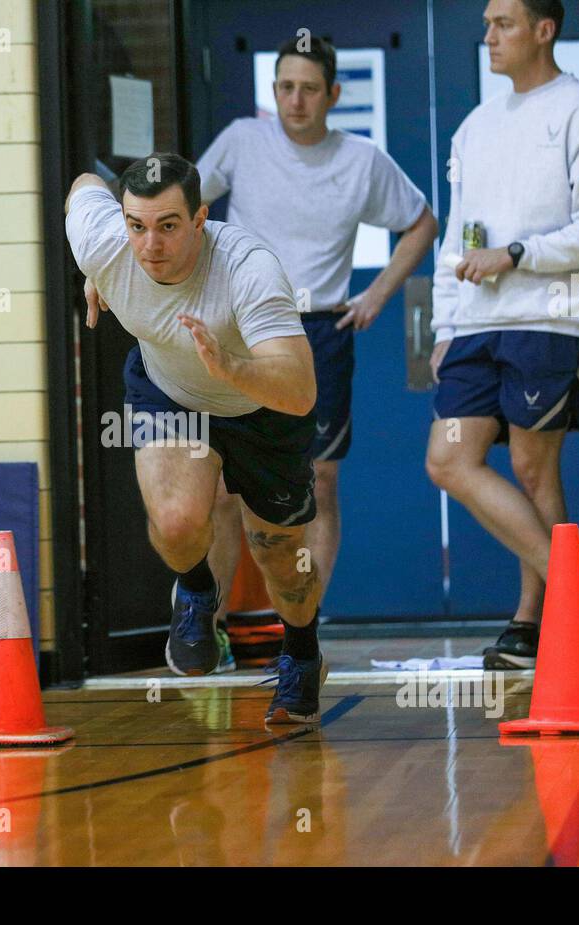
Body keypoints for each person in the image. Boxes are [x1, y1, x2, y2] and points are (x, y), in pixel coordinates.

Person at [65, 153, 325, 723]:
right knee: (179, 523)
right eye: (137, 226)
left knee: (279, 556)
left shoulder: (248, 268)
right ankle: (198, 592)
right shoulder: (105, 244)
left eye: (168, 226)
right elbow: (85, 183)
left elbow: (301, 390)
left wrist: (232, 367)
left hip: (264, 407)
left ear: (200, 219)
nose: (150, 244)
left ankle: (302, 651)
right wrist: (97, 271)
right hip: (172, 395)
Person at [191, 36, 436, 640]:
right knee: (222, 484)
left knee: (318, 482)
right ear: (272, 93)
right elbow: (182, 202)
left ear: (333, 94)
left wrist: (377, 294)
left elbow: (422, 221)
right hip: (242, 327)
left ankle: (302, 631)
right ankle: (212, 629)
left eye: (307, 89)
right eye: (284, 88)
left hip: (320, 331)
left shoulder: (360, 158)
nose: (294, 101)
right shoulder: (243, 141)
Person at [426, 0, 579, 669]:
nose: (488, 35)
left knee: (532, 469)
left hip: (551, 316)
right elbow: (457, 236)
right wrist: (446, 323)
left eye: (503, 23)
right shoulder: (475, 126)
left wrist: (516, 253)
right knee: (448, 459)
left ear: (545, 30)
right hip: (476, 325)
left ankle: (531, 622)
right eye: (486, 23)